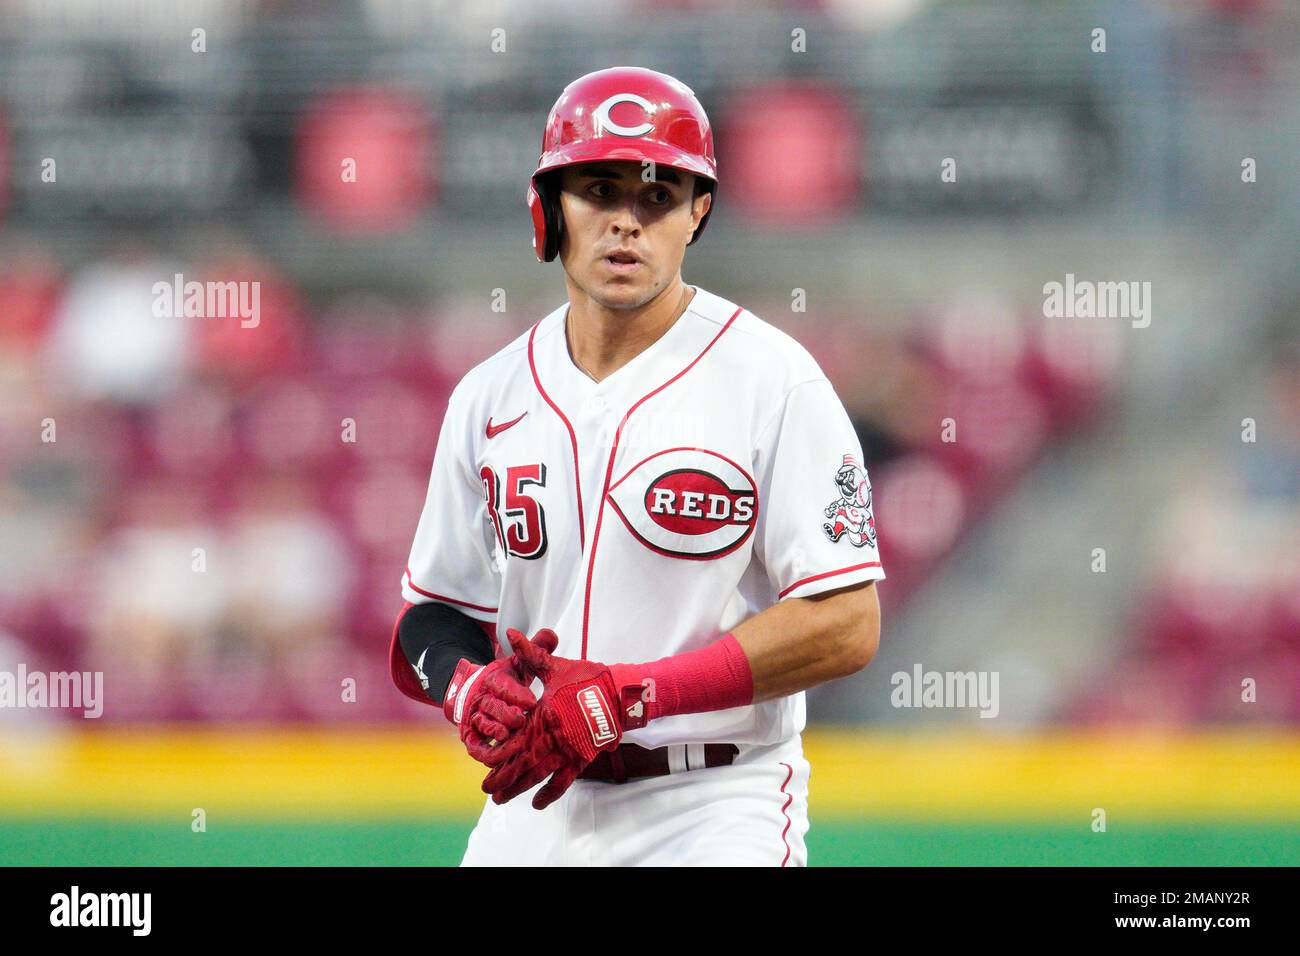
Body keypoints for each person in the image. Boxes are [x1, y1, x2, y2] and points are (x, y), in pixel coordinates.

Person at [390, 67, 884, 866]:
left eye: (657, 196)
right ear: (549, 210)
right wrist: (467, 687)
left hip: (716, 800)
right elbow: (430, 616)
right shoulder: (488, 396)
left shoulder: (774, 381)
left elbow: (845, 624)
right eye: (599, 189)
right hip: (533, 803)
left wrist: (632, 693)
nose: (627, 221)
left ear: (698, 213)